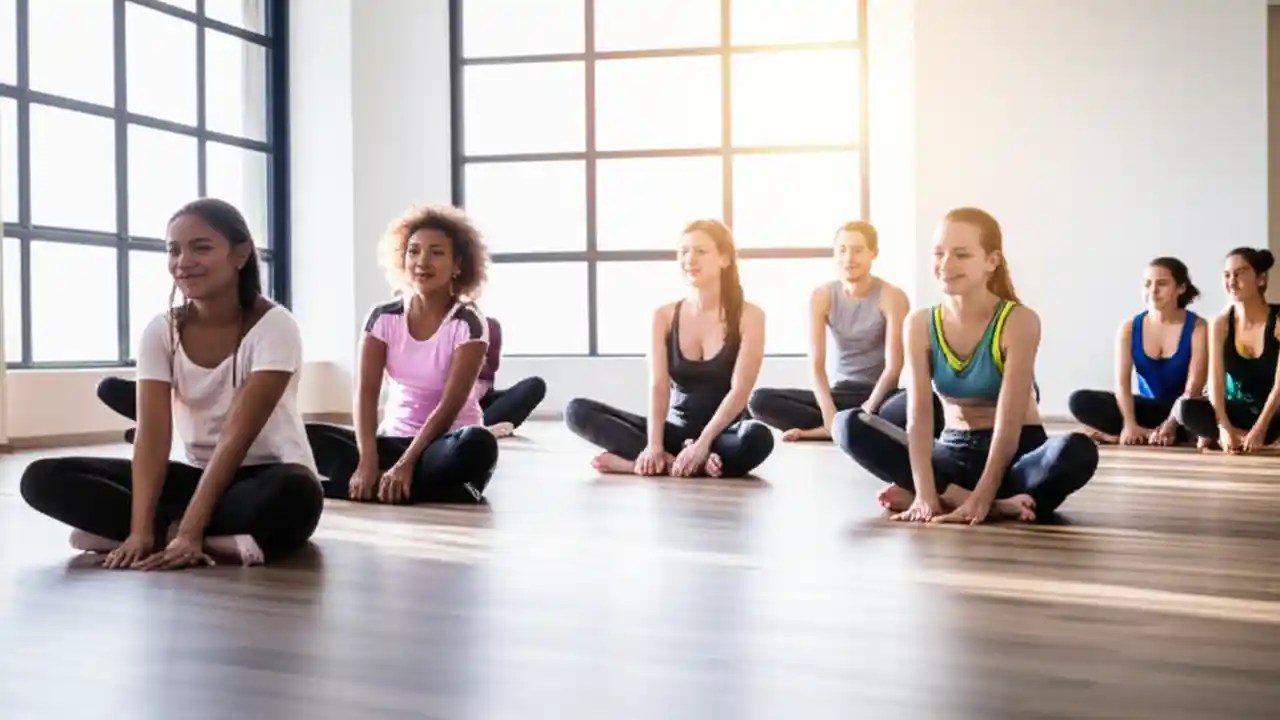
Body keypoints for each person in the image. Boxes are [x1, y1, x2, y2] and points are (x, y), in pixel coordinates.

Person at [20, 198, 323, 568]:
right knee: (42, 478)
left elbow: (235, 438)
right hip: (195, 477)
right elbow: (152, 435)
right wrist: (139, 529)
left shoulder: (276, 326)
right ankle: (204, 541)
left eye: (201, 248)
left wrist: (191, 530)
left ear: (240, 254)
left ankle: (181, 536)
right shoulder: (161, 330)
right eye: (173, 250)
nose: (183, 262)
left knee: (297, 492)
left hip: (263, 477)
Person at [833, 207, 1098, 524]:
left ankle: (976, 499)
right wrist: (924, 494)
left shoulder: (1019, 322)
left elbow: (1009, 423)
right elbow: (918, 418)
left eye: (961, 254)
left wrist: (982, 497)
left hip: (1016, 454)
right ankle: (993, 504)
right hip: (953, 452)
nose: (946, 265)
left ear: (992, 260)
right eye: (939, 253)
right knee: (847, 424)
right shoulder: (919, 324)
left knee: (1078, 450)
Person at [305, 204, 499, 503]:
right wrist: (367, 460)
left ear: (457, 263)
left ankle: (380, 485)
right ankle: (427, 490)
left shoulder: (469, 323)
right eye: (414, 251)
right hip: (391, 441)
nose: (422, 261)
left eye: (436, 252)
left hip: (443, 443)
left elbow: (450, 407)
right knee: (304, 434)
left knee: (479, 443)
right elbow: (366, 395)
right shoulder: (382, 318)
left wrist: (406, 464)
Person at [564, 219, 774, 478]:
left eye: (701, 251)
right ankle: (673, 461)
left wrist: (702, 443)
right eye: (684, 251)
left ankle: (655, 463)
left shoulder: (750, 316)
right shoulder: (663, 316)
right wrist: (654, 446)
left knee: (759, 437)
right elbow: (659, 386)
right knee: (577, 411)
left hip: (723, 435)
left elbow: (740, 391)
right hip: (674, 433)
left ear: (724, 259)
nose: (689, 259)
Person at [747, 221, 942, 440]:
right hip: (838, 393)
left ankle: (836, 428)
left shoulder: (892, 296)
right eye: (842, 250)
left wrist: (868, 407)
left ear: (873, 253)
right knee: (759, 400)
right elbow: (816, 365)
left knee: (927, 404)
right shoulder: (822, 296)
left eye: (858, 250)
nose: (849, 258)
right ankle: (841, 427)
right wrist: (828, 412)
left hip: (879, 394)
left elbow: (893, 367)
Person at [1067, 257, 1207, 446]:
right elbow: (1122, 383)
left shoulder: (1198, 327)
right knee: (1079, 400)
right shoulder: (1130, 327)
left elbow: (1194, 386)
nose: (1153, 291)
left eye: (1162, 284)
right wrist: (1129, 423)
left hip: (1182, 412)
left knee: (1193, 412)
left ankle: (1148, 434)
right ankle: (1141, 433)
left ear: (1180, 288)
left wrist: (1170, 424)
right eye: (1147, 284)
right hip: (1146, 409)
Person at [1173, 247, 1280, 453]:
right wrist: (1223, 427)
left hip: (1273, 411)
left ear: (1260, 279)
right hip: (1237, 410)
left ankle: (1255, 437)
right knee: (1184, 407)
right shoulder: (1220, 324)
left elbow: (1279, 387)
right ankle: (1236, 436)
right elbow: (1216, 383)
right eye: (1227, 275)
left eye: (1240, 273)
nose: (1232, 281)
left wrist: (1260, 429)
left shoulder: (1277, 321)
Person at [476, 316, 548, 437]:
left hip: (482, 402)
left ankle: (477, 429)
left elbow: (491, 367)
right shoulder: (440, 327)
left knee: (535, 385)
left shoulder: (488, 325)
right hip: (450, 404)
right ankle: (473, 430)